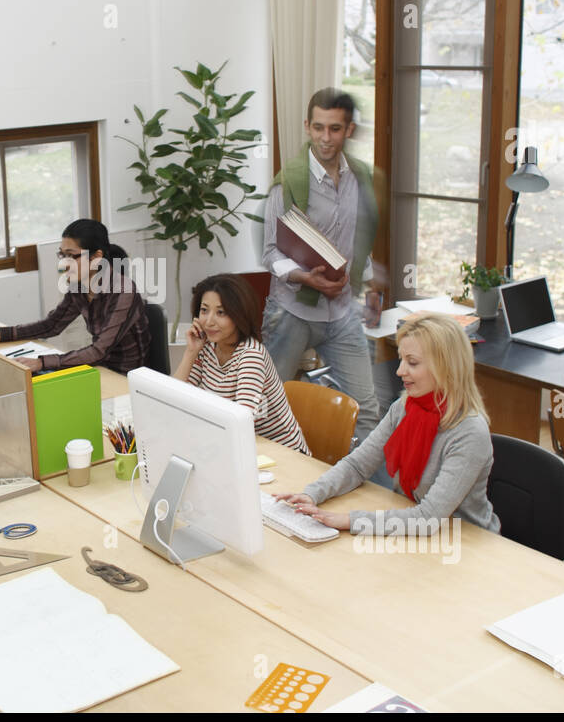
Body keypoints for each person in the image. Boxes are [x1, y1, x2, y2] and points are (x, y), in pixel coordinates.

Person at [274, 313, 499, 536]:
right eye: (401, 360)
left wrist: (349, 520)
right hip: (416, 527)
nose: (400, 371)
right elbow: (358, 465)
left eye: (412, 362)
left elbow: (428, 518)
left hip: (465, 542)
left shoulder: (469, 432)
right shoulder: (404, 408)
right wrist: (312, 494)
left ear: (446, 367)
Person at [261, 87, 384, 443]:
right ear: (307, 126)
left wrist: (372, 287)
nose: (324, 137)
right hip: (290, 313)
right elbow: (270, 253)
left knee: (366, 409)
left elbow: (358, 244)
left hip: (343, 312)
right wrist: (305, 277)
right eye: (318, 128)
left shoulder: (361, 179)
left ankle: (363, 493)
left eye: (334, 129)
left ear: (349, 131)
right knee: (271, 408)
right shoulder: (289, 183)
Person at [0, 219, 151, 374]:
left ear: (96, 257)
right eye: (62, 255)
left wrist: (42, 362)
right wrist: (1, 335)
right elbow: (52, 325)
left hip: (125, 375)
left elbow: (99, 351)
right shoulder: (78, 286)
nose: (64, 263)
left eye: (72, 256)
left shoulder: (123, 291)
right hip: (98, 368)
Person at [174, 274, 309, 454]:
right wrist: (190, 352)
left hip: (281, 454)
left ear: (239, 314)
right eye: (204, 310)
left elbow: (240, 423)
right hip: (242, 447)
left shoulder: (251, 355)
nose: (209, 321)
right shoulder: (206, 346)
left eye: (221, 312)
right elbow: (174, 396)